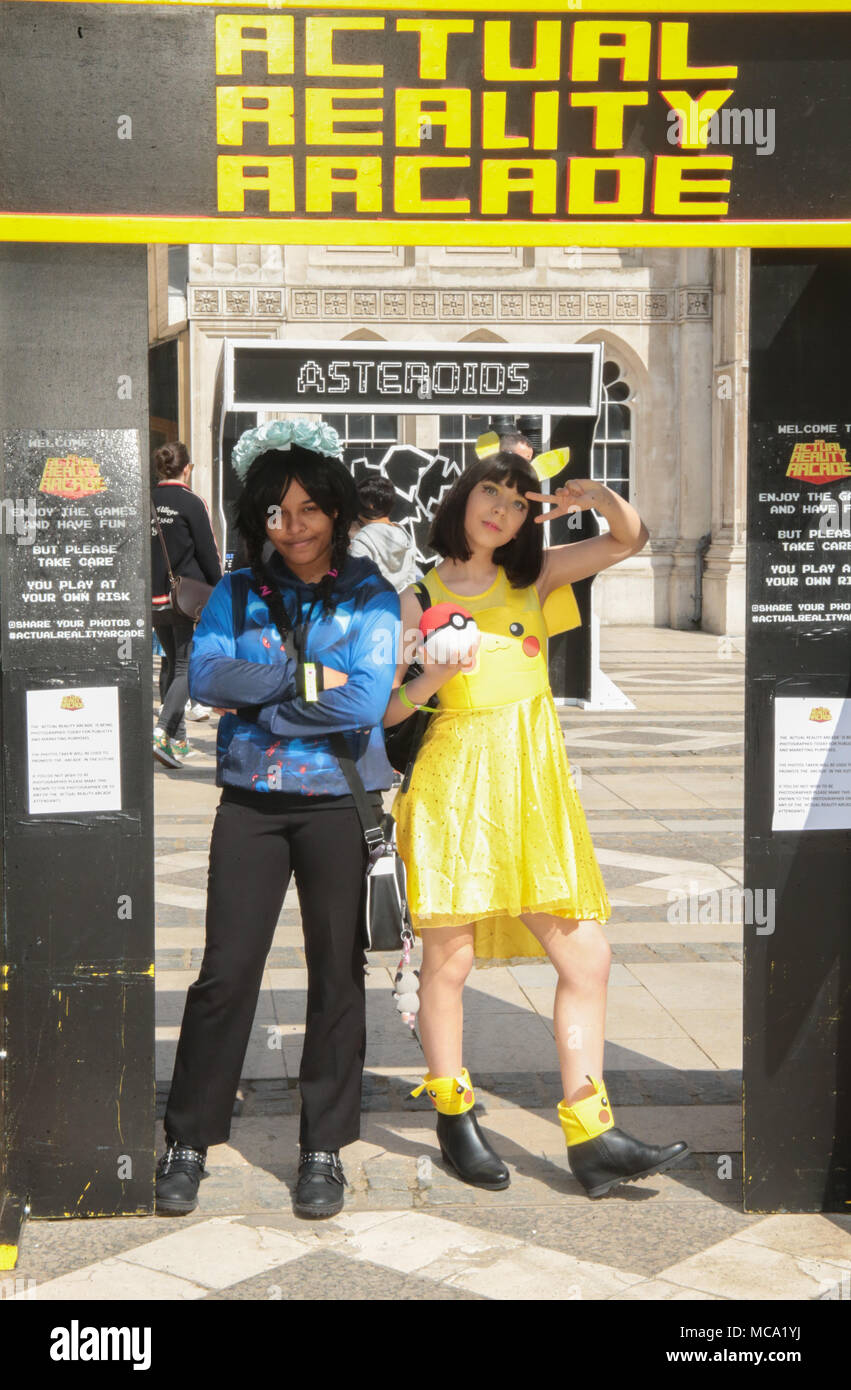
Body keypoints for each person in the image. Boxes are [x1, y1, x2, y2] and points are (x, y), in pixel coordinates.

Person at [386, 453, 689, 1197]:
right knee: (447, 966)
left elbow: (629, 541)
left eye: (518, 503)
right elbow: (387, 713)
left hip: (533, 790)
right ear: (461, 496)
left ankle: (592, 1134)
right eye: (488, 491)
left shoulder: (536, 575)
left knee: (587, 959)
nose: (500, 510)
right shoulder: (410, 596)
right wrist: (433, 674)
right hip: (452, 789)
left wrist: (599, 497)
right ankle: (454, 1117)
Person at [154, 419, 400, 1221]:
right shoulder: (233, 591)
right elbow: (209, 679)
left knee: (337, 976)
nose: (290, 526)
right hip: (251, 805)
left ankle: (322, 1147)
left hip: (335, 804)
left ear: (333, 510)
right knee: (226, 973)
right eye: (273, 512)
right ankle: (189, 1139)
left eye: (305, 510)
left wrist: (273, 703)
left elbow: (366, 702)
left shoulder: (370, 593)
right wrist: (309, 684)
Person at [151, 442, 222, 767]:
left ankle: (176, 742)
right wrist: (221, 589)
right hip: (185, 596)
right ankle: (162, 731)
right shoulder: (192, 502)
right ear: (187, 469)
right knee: (186, 667)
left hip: (153, 596)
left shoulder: (146, 500)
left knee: (170, 662)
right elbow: (207, 552)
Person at [349, 475, 421, 593]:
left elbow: (355, 584)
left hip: (373, 607)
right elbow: (411, 579)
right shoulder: (405, 536)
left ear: (369, 505)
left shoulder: (362, 539)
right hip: (400, 605)